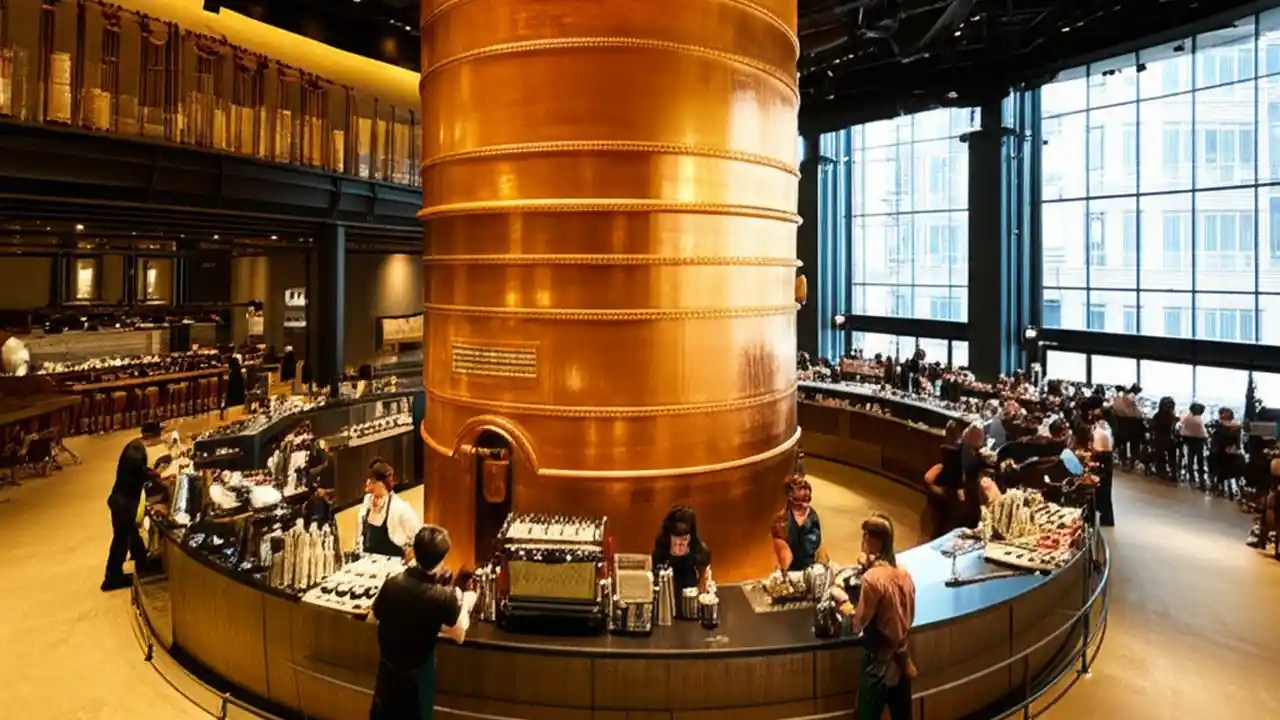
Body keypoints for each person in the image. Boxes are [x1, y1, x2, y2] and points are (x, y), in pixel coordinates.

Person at [369, 525, 477, 720]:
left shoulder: (392, 583)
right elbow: (459, 635)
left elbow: (373, 617)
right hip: (416, 683)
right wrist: (466, 602)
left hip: (386, 678)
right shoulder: (443, 597)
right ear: (442, 560)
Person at [828, 515, 917, 720]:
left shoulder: (872, 578)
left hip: (878, 666)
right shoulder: (905, 574)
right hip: (901, 661)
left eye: (865, 536)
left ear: (872, 540)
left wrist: (844, 602)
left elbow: (857, 625)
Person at [102, 420, 166, 591]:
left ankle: (143, 563)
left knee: (131, 534)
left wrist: (151, 473)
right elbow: (138, 470)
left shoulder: (135, 447)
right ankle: (112, 578)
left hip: (123, 500)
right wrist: (154, 475)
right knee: (121, 540)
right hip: (123, 501)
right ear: (152, 436)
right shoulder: (136, 450)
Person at [356, 462, 422, 557]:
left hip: (392, 564)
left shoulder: (399, 507)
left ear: (382, 484)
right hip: (368, 563)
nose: (367, 488)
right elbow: (360, 536)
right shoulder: (367, 501)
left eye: (372, 482)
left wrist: (410, 553)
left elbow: (418, 537)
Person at [651, 505, 711, 594]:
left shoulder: (699, 552)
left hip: (691, 594)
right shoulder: (660, 551)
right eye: (676, 538)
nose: (680, 544)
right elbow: (654, 581)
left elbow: (703, 582)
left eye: (684, 539)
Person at [771, 475, 823, 572]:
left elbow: (816, 547)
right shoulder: (781, 519)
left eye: (807, 489)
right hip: (789, 569)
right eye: (801, 489)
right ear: (790, 495)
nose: (806, 493)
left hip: (810, 568)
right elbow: (782, 550)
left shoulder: (812, 516)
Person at [1088, 399, 1116, 527]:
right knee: (1105, 492)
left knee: (1102, 491)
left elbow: (1098, 448)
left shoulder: (1100, 430)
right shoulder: (1106, 427)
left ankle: (1101, 517)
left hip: (1102, 460)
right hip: (1106, 460)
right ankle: (1106, 518)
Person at [1178, 402, 1209, 488]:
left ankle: (1191, 476)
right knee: (1200, 459)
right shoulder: (1199, 420)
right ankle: (1201, 478)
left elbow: (1182, 426)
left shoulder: (1187, 417)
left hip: (1188, 440)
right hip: (1199, 440)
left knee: (1190, 457)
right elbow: (1203, 433)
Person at [221, 355, 246, 421]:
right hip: (240, 398)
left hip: (234, 399)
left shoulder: (233, 375)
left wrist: (226, 403)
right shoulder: (239, 373)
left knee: (234, 416)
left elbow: (230, 389)